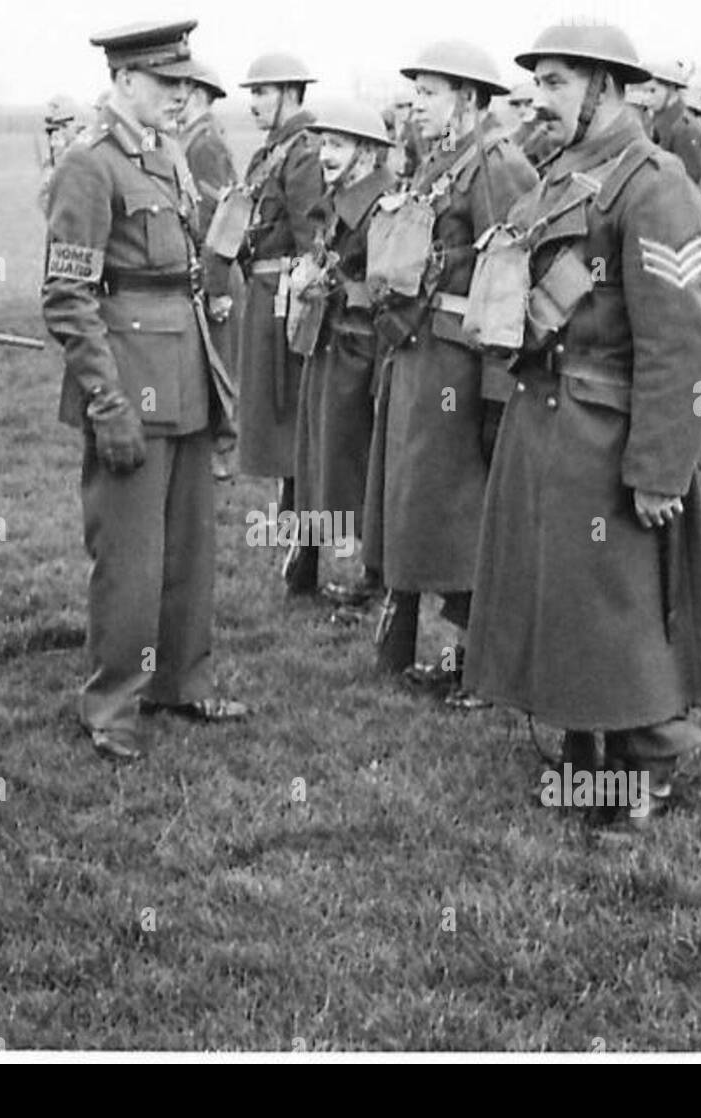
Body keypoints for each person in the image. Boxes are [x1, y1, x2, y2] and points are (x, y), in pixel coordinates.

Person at [464, 22, 701, 831]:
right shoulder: (556, 177)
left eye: (554, 82)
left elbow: (682, 343)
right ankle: (588, 747)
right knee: (563, 598)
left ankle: (650, 759)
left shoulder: (655, 183)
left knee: (617, 608)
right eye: (537, 82)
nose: (537, 99)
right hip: (543, 419)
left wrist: (660, 467)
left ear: (605, 89)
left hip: (608, 433)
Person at [42, 21, 245, 765]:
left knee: (189, 543)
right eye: (168, 84)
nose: (181, 96)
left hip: (185, 372)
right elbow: (68, 295)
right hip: (130, 378)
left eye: (186, 84)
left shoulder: (164, 158)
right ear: (125, 82)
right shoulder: (89, 167)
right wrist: (106, 401)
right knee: (130, 554)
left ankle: (179, 680)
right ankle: (113, 702)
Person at [363, 39, 537, 702]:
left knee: (466, 517)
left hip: (463, 369)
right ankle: (435, 642)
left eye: (429, 92)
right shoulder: (440, 161)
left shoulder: (498, 165)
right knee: (420, 504)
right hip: (417, 354)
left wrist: (497, 397)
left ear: (466, 97)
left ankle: (482, 662)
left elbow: (509, 283)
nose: (416, 103)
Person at [287, 99, 395, 608]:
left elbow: (391, 286)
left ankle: (370, 573)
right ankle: (321, 552)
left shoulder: (384, 206)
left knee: (358, 459)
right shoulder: (338, 200)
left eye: (338, 144)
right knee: (322, 452)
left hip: (363, 348)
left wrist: (333, 288)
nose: (326, 154)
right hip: (328, 341)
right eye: (323, 143)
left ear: (369, 153)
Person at [235, 53, 326, 593]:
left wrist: (300, 311)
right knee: (284, 430)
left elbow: (313, 242)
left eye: (263, 92)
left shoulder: (303, 152)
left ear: (290, 92)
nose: (253, 102)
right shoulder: (275, 150)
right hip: (266, 297)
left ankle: (305, 552)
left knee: (298, 431)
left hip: (289, 304)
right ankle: (294, 545)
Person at [178, 59, 244, 476]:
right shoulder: (197, 138)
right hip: (207, 266)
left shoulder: (204, 144)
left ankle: (222, 453)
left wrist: (217, 285)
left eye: (180, 90)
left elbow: (221, 219)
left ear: (198, 94)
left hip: (215, 267)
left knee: (219, 364)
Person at [641, 58, 701, 184]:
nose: (646, 98)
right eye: (645, 91)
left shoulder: (685, 129)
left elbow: (691, 179)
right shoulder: (655, 122)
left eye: (653, 91)